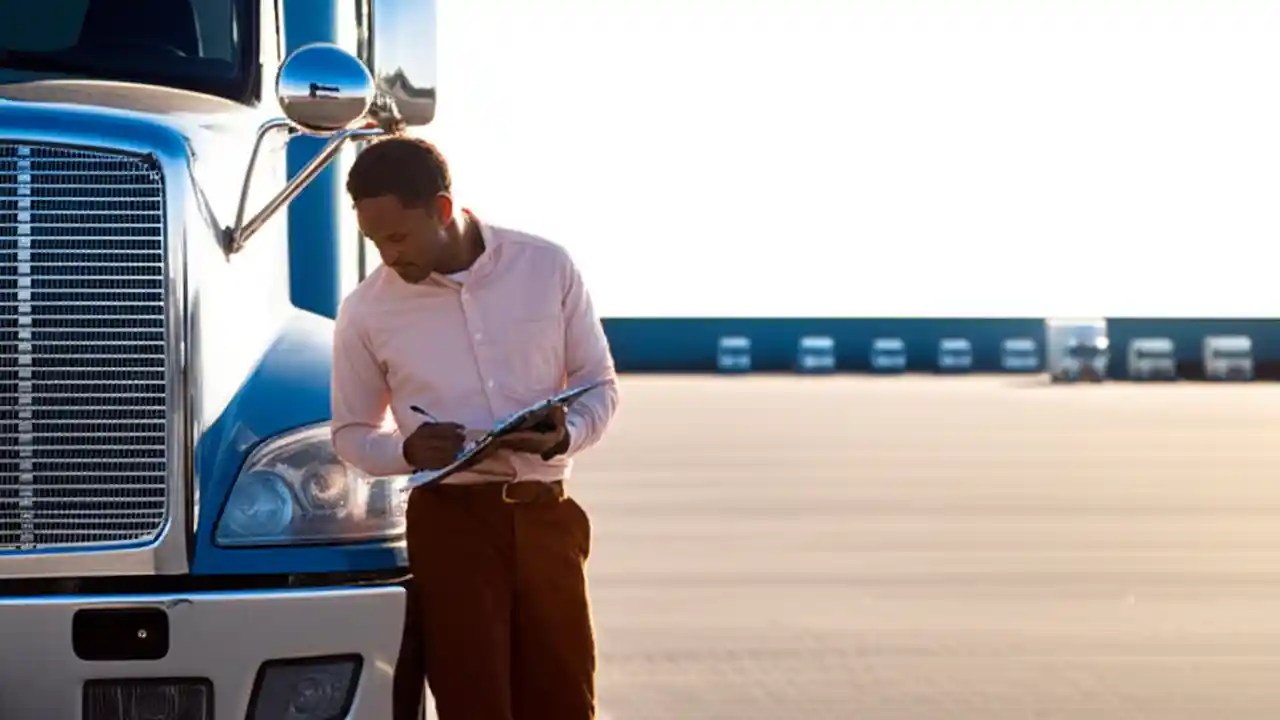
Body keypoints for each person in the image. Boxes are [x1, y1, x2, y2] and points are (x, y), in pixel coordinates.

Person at [329, 135, 619, 720]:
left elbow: (601, 386)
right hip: (449, 528)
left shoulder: (547, 267)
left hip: (546, 518)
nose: (388, 256)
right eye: (374, 240)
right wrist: (407, 451)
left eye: (399, 236)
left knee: (566, 700)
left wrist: (564, 435)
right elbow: (350, 434)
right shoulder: (365, 311)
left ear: (442, 210)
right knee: (472, 704)